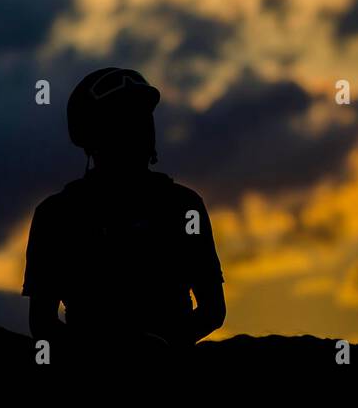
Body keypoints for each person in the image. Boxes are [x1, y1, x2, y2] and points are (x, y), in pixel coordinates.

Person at [23, 68, 225, 362]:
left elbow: (213, 310)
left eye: (144, 118)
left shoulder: (184, 206)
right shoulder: (56, 215)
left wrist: (161, 347)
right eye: (125, 119)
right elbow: (41, 321)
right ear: (93, 133)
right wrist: (100, 357)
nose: (141, 128)